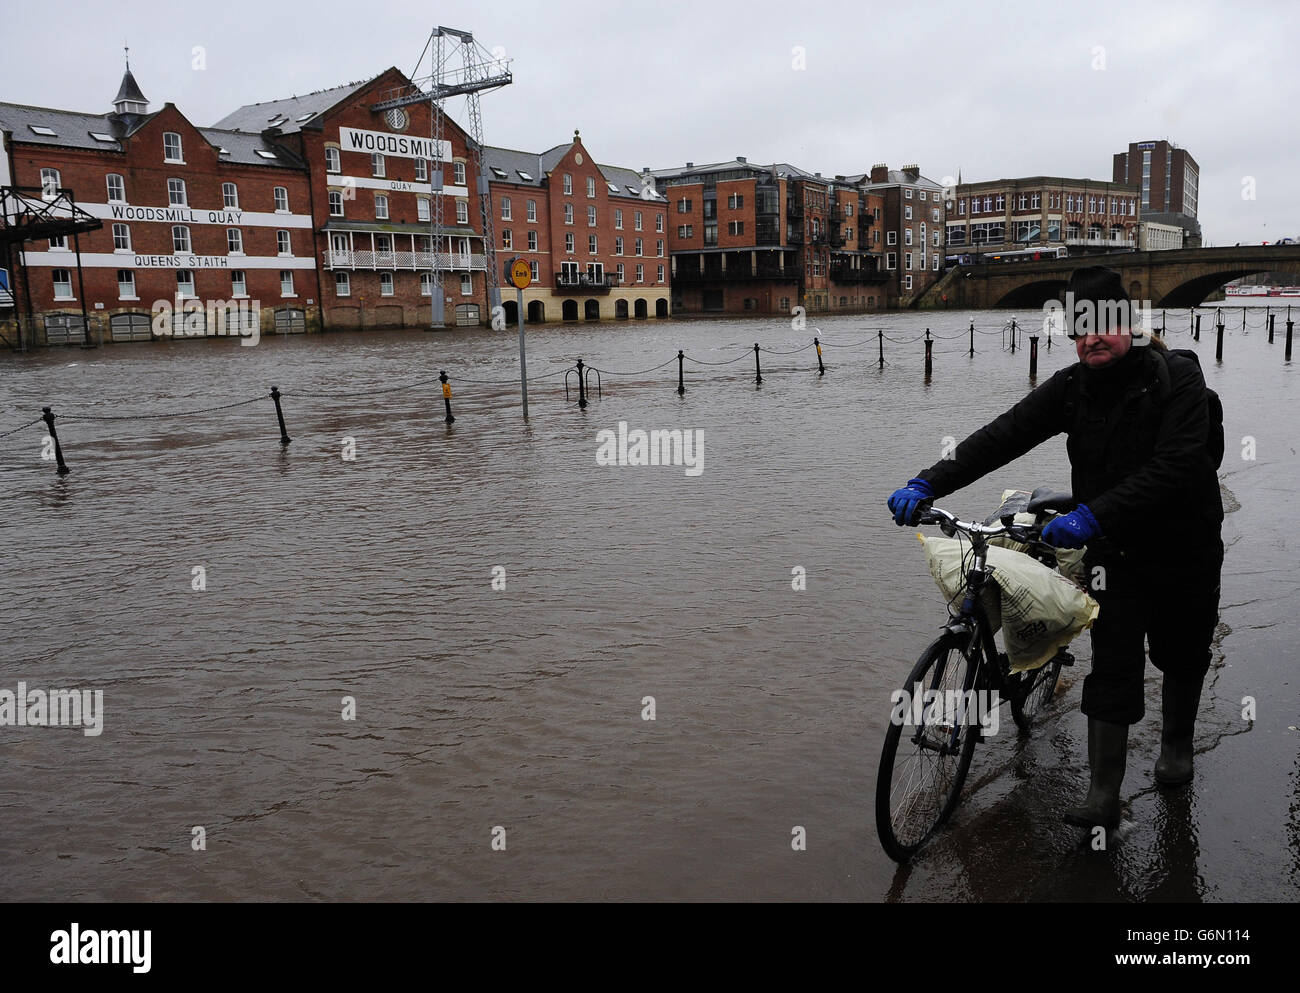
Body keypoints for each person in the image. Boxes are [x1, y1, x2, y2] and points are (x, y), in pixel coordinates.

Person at [886, 267, 1224, 830]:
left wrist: (1093, 514)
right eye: (1079, 328)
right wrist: (927, 482)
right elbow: (1002, 436)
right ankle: (1101, 795)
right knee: (1114, 664)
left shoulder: (1177, 380)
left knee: (1180, 652)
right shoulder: (1072, 388)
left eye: (1104, 325)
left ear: (1129, 324)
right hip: (1115, 554)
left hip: (1183, 545)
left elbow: (1179, 464)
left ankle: (1177, 750)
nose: (1092, 338)